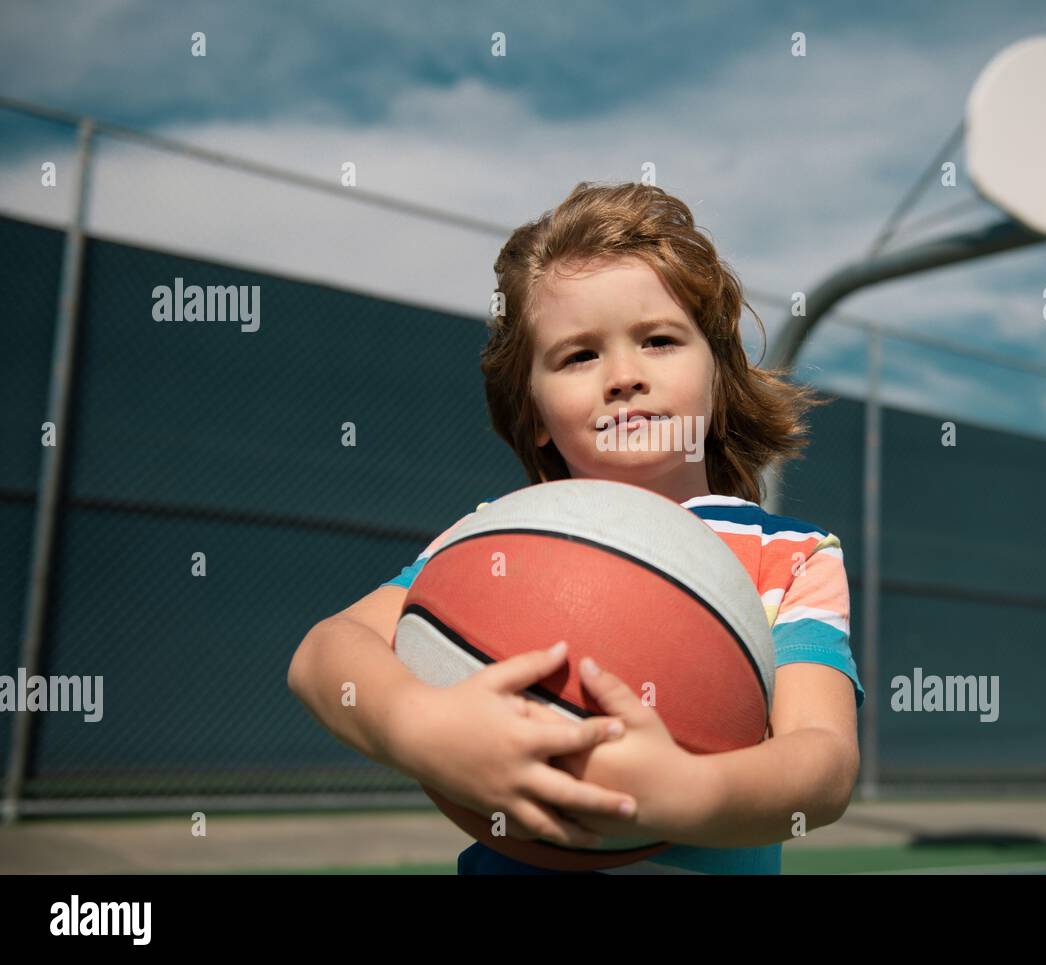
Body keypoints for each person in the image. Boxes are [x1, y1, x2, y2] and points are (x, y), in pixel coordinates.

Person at [288, 181, 864, 874]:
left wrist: (691, 790)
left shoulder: (791, 557)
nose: (623, 375)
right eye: (579, 355)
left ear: (718, 379)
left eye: (658, 340)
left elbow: (825, 760)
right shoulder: (493, 538)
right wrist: (421, 725)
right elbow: (325, 653)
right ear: (532, 411)